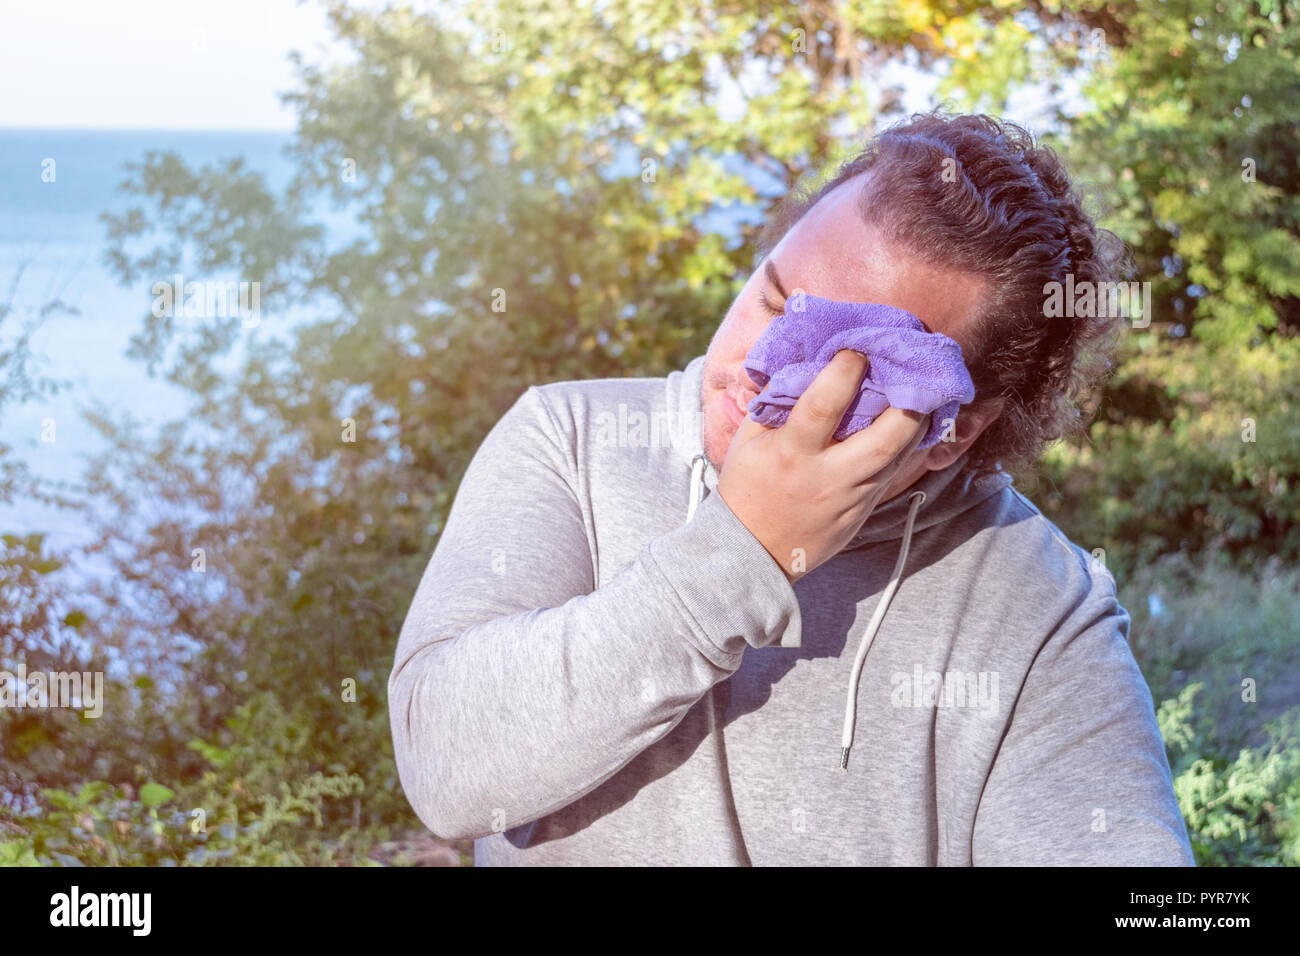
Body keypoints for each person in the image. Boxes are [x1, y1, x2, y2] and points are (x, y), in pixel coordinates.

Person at [388, 111, 1195, 865]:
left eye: (850, 362)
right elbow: (443, 771)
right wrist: (741, 550)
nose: (762, 363)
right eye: (774, 298)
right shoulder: (572, 439)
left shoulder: (1040, 608)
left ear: (958, 429)